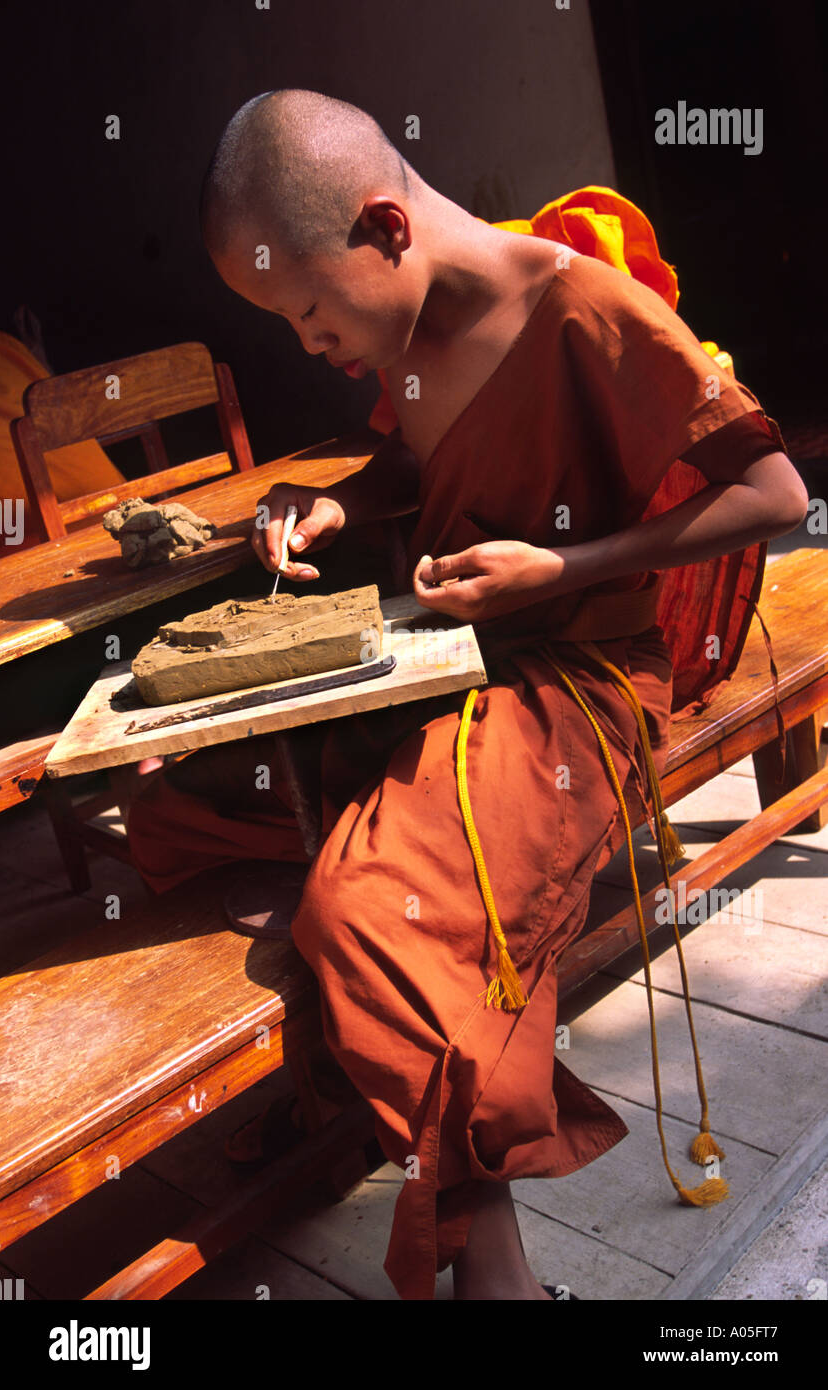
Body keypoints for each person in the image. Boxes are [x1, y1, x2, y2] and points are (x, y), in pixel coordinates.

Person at [127, 90, 808, 1300]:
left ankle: (496, 1276)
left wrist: (568, 565)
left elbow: (772, 494)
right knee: (172, 805)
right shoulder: (406, 327)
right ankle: (359, 1054)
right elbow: (415, 459)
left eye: (306, 311)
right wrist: (339, 502)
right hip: (437, 653)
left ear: (385, 227)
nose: (309, 347)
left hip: (571, 679)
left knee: (368, 916)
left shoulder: (582, 308)